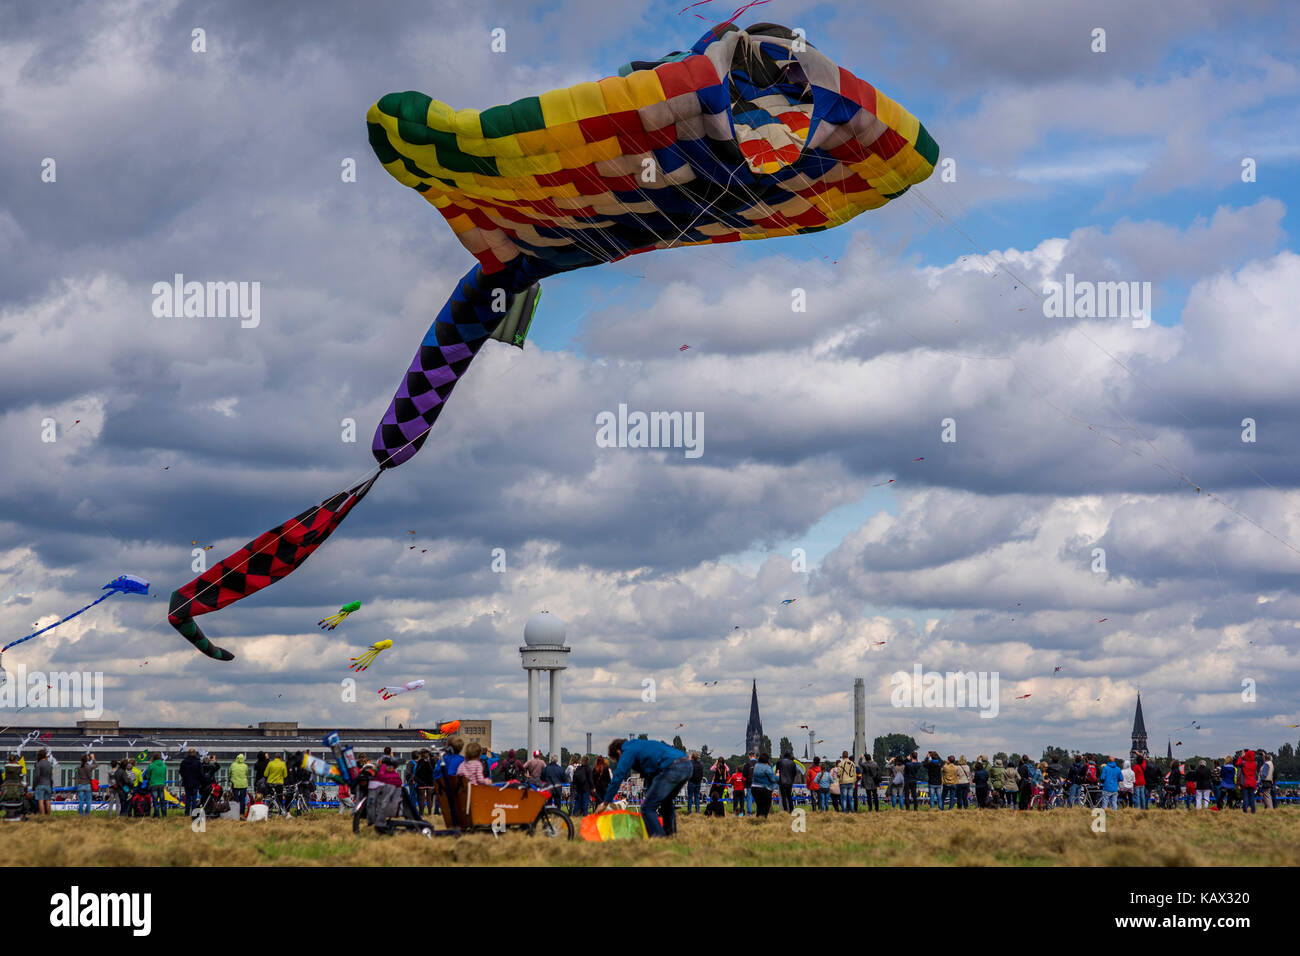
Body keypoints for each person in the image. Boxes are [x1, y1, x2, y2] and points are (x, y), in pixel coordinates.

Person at [596, 738, 691, 838]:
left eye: (617, 759)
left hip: (671, 767)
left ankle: (660, 839)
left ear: (618, 752)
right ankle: (671, 836)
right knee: (666, 803)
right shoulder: (640, 745)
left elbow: (618, 776)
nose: (619, 762)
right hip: (686, 764)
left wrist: (606, 803)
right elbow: (651, 774)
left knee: (647, 808)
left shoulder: (628, 750)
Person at [751, 752, 776, 818]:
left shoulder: (756, 766)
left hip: (754, 788)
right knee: (766, 805)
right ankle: (763, 818)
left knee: (759, 805)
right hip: (764, 789)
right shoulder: (767, 767)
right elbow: (773, 779)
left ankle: (758, 818)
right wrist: (777, 776)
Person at [179, 748, 204, 815]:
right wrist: (200, 781)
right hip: (195, 783)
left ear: (188, 753)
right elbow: (201, 773)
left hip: (187, 782)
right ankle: (194, 813)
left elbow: (181, 772)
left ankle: (187, 813)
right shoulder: (198, 762)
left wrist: (184, 777)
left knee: (187, 798)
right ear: (195, 753)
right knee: (194, 799)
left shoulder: (184, 762)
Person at [31, 748, 54, 815]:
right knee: (48, 801)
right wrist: (51, 786)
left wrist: (34, 785)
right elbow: (50, 776)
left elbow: (37, 776)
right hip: (48, 785)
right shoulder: (49, 764)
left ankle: (42, 816)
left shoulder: (39, 764)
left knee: (40, 801)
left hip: (40, 785)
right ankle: (49, 816)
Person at [1236, 749, 1258, 814]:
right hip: (1252, 783)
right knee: (1252, 798)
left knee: (1245, 798)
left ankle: (1245, 811)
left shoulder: (1244, 763)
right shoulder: (1255, 764)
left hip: (1245, 782)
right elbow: (1256, 774)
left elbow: (1238, 763)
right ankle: (1253, 811)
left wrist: (1241, 756)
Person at [146, 752, 168, 817]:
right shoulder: (164, 765)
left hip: (153, 784)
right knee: (162, 801)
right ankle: (164, 814)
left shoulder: (151, 765)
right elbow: (164, 775)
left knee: (155, 801)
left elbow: (147, 776)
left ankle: (157, 814)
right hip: (161, 784)